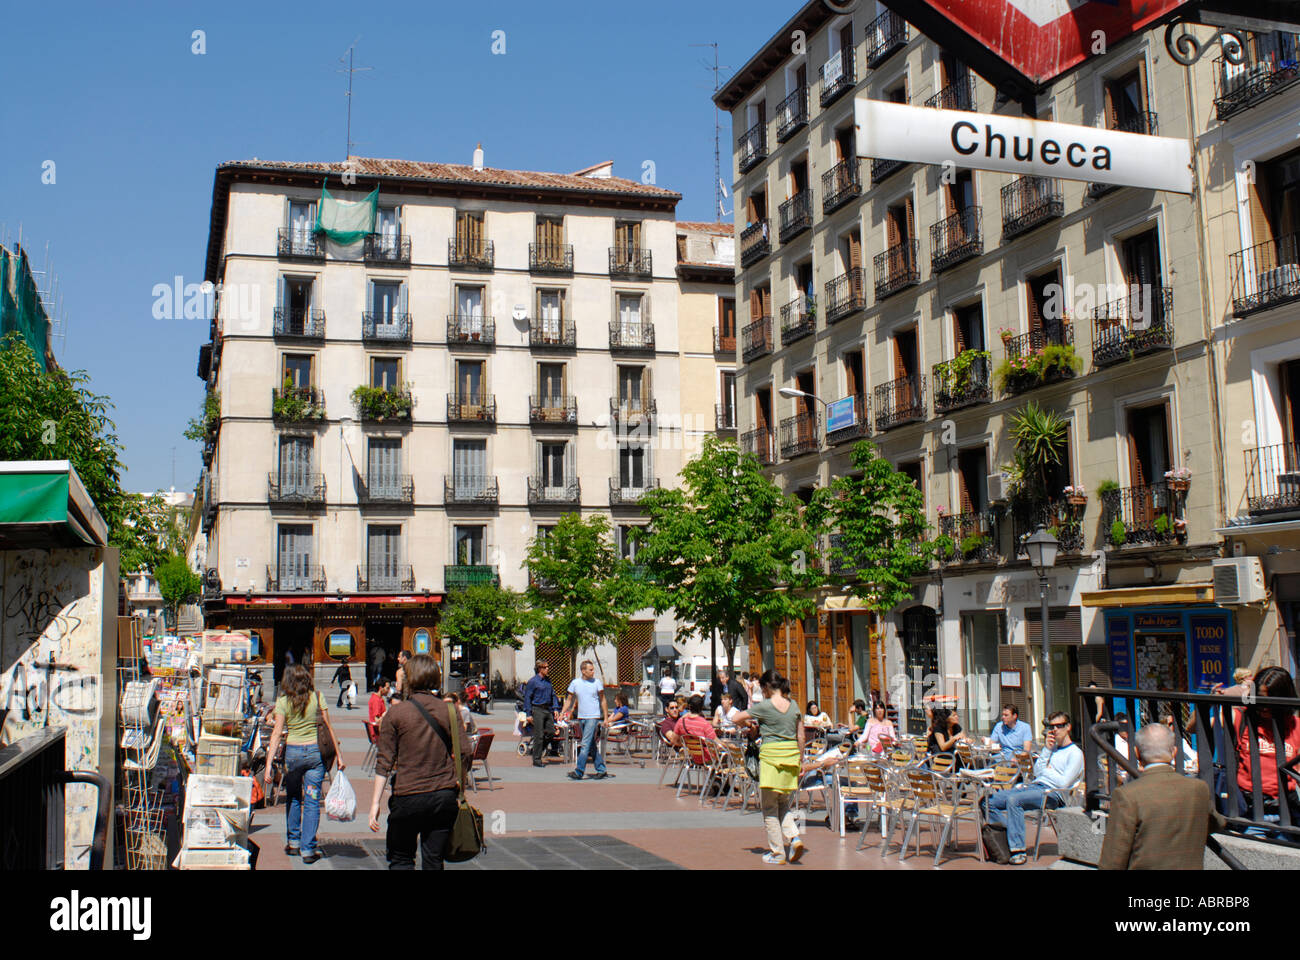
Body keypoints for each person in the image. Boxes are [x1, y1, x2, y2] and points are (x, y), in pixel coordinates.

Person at [368, 654, 468, 870]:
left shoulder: (396, 713)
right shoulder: (449, 710)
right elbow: (465, 752)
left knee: (401, 859)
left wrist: (375, 802)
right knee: (434, 860)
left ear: (409, 678)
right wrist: (459, 781)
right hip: (443, 795)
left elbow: (384, 761)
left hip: (408, 795)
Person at [1098, 723, 1225, 870]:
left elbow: (1113, 861)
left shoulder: (1127, 795)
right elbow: (1218, 823)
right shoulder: (1199, 789)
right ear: (1174, 752)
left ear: (1136, 752)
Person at [263, 664, 344, 864]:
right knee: (312, 799)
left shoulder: (283, 701)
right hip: (315, 755)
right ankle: (308, 849)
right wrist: (339, 756)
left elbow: (276, 733)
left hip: (293, 755)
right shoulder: (317, 697)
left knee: (293, 797)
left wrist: (268, 764)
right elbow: (329, 727)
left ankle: (293, 842)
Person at [983, 711, 1084, 865]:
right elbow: (1037, 772)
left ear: (1068, 727)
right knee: (987, 801)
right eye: (1052, 727)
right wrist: (1047, 750)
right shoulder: (1052, 749)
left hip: (1054, 794)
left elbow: (1063, 783)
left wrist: (1047, 771)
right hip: (1035, 786)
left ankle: (1018, 850)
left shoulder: (1075, 753)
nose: (1055, 730)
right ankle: (1010, 835)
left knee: (1014, 800)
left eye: (1059, 726)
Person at [732, 671, 806, 865]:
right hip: (791, 757)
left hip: (771, 758)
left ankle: (778, 853)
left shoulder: (764, 706)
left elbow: (735, 718)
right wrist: (801, 761)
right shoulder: (794, 705)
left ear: (765, 687)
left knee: (770, 808)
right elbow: (801, 736)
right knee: (783, 803)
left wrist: (748, 723)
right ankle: (794, 838)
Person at [1232, 665, 1300, 838]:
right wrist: (1215, 699)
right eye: (1260, 699)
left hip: (1288, 810)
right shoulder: (1242, 718)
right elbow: (1193, 728)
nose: (1264, 707)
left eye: (1271, 700)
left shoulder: (1295, 725)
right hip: (1251, 812)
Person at [563, 659, 611, 781]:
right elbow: (569, 700)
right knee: (590, 744)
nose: (593, 672)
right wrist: (563, 712)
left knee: (584, 744)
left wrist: (605, 717)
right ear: (583, 671)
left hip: (593, 717)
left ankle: (579, 771)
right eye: (590, 670)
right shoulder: (575, 683)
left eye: (593, 669)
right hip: (581, 717)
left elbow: (603, 700)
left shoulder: (597, 683)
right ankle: (601, 769)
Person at [521, 660, 562, 768]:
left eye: (548, 667)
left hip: (547, 709)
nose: (547, 669)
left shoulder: (548, 681)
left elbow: (553, 695)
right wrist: (528, 714)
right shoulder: (533, 681)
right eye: (545, 667)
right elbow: (527, 698)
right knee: (538, 734)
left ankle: (538, 749)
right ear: (539, 669)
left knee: (551, 732)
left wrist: (555, 708)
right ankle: (537, 759)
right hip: (537, 709)